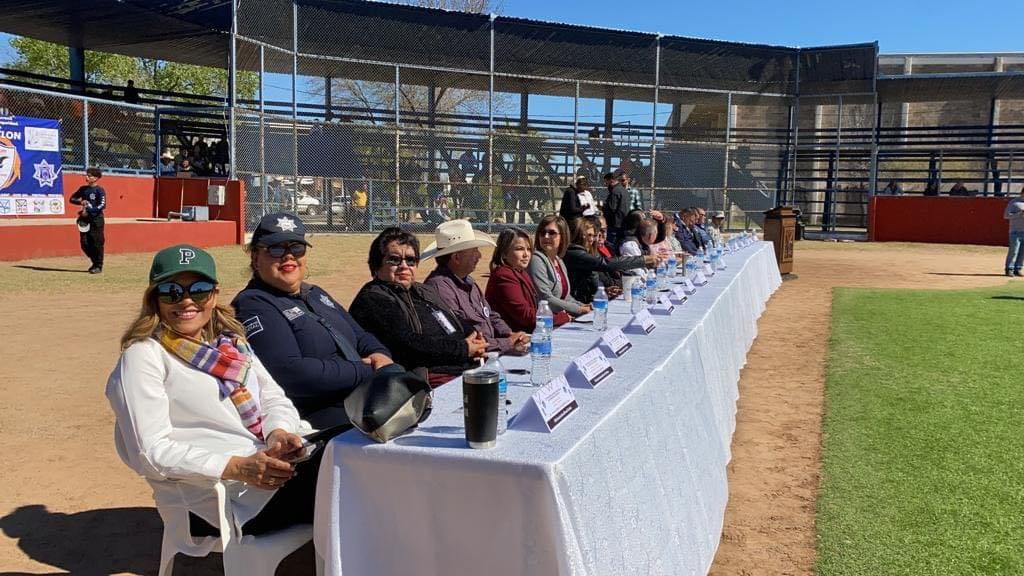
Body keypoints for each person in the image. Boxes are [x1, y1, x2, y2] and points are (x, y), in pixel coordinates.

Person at [107, 244, 314, 545]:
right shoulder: (144, 356)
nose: (187, 301)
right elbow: (151, 452)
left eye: (200, 289)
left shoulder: (232, 346)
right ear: (155, 300)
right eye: (172, 291)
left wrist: (278, 434)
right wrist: (237, 467)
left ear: (215, 295)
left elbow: (273, 398)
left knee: (357, 472)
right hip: (218, 497)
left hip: (269, 472)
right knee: (347, 490)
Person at [232, 212, 392, 429]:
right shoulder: (253, 304)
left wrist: (380, 355)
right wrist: (365, 370)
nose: (288, 256)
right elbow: (292, 373)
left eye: (297, 248)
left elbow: (359, 335)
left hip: (366, 400)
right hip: (321, 419)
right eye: (276, 249)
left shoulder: (315, 294)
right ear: (255, 258)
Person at [350, 227, 488, 387]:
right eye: (394, 260)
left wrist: (474, 336)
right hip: (426, 379)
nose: (404, 266)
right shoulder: (373, 298)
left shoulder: (422, 290)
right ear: (377, 263)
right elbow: (408, 344)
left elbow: (454, 320)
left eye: (411, 260)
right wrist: (462, 349)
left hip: (463, 367)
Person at [423, 219, 530, 355]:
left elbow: (490, 315)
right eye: (474, 250)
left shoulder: (469, 282)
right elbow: (463, 335)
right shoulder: (439, 288)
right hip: (470, 361)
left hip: (489, 351)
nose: (479, 255)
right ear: (456, 257)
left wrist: (509, 334)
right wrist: (507, 342)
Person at [486, 227, 571, 333]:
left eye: (529, 249)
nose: (526, 254)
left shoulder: (520, 272)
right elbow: (525, 316)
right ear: (503, 253)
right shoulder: (504, 275)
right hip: (513, 337)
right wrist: (563, 318)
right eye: (519, 249)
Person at [564, 217, 653, 304]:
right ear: (579, 234)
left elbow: (589, 286)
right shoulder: (575, 253)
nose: (591, 239)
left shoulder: (594, 251)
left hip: (590, 301)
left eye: (593, 235)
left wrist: (605, 291)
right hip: (580, 305)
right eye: (588, 235)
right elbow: (606, 264)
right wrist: (643, 259)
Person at [528, 214, 592, 318]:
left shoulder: (559, 261)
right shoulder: (536, 260)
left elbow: (565, 297)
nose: (546, 236)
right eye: (542, 233)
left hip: (560, 318)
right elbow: (545, 298)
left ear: (562, 237)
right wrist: (579, 309)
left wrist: (583, 305)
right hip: (545, 322)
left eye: (552, 233)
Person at [68, 167, 106, 274]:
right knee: (84, 242)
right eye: (87, 175)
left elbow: (102, 205)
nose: (87, 177)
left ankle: (98, 265)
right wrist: (81, 202)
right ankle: (94, 261)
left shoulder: (100, 190)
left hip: (96, 219)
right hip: (85, 219)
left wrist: (89, 209)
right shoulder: (83, 189)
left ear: (96, 178)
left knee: (97, 242)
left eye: (90, 176)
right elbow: (72, 199)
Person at [601, 170, 628, 249]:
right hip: (623, 223)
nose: (606, 185)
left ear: (611, 181)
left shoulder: (615, 192)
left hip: (614, 225)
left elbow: (611, 208)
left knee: (611, 246)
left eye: (607, 183)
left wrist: (603, 208)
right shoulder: (624, 190)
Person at [1003, 188, 1024, 277]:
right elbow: (1006, 216)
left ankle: (1018, 268)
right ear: (1022, 193)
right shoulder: (1014, 203)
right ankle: (1009, 269)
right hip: (1015, 231)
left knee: (1022, 252)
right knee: (1014, 251)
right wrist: (1019, 214)